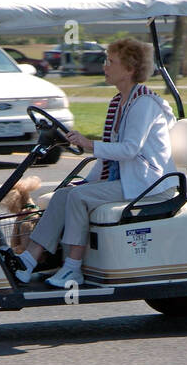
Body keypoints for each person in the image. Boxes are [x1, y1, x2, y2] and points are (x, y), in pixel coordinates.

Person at [13, 36, 177, 288]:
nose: (105, 66)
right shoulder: (120, 102)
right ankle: (29, 258)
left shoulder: (143, 104)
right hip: (128, 179)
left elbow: (129, 150)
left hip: (149, 184)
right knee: (64, 195)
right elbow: (108, 155)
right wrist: (86, 181)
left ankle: (72, 268)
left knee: (80, 198)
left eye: (111, 62)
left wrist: (88, 144)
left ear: (130, 69)